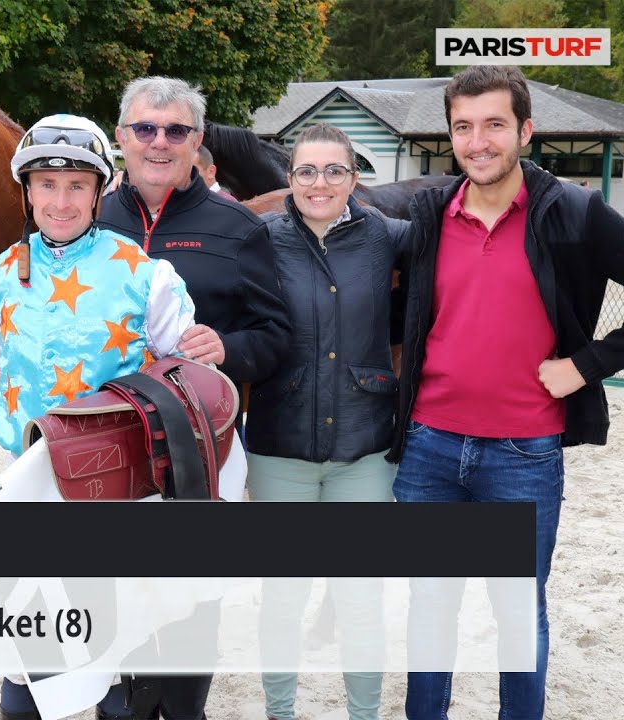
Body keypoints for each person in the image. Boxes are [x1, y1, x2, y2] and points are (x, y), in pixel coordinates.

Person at [0, 77, 290, 720]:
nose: (61, 201)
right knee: (26, 685)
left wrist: (211, 350)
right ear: (28, 192)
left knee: (115, 675)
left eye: (76, 186)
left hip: (116, 489)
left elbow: (187, 370)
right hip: (30, 481)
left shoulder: (146, 272)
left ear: (99, 192)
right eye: (46, 185)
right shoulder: (7, 268)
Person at [389, 65, 624, 720]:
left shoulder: (573, 213)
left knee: (517, 616)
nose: (478, 141)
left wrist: (587, 364)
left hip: (523, 455)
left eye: (493, 124)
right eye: (463, 126)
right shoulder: (431, 216)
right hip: (429, 447)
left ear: (525, 130)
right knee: (430, 609)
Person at [245, 123, 410, 720]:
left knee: (361, 598)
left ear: (354, 178)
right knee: (282, 600)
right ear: (289, 178)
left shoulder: (390, 237)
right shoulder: (258, 237)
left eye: (334, 171)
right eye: (307, 171)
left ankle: (363, 714)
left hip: (364, 448)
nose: (320, 183)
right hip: (280, 445)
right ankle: (280, 712)